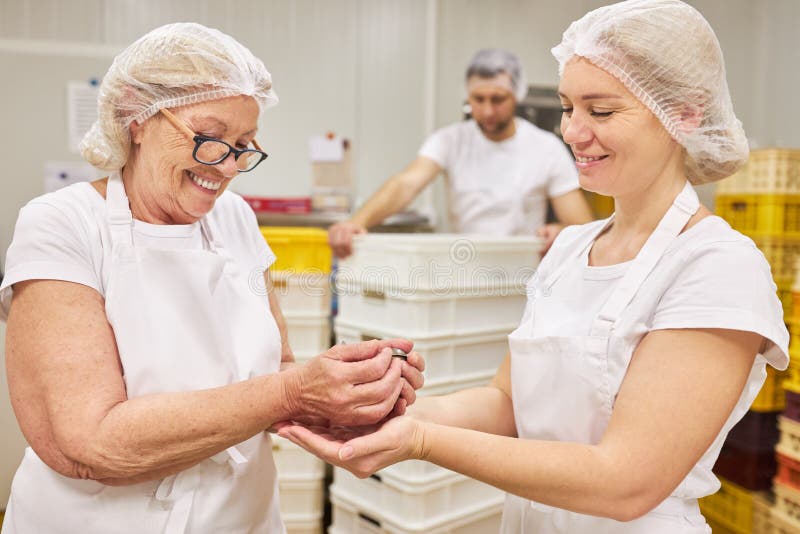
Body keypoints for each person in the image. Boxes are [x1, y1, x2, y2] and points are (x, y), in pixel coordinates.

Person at [276, 1, 790, 532]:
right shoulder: (570, 249)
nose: (572, 132)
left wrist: (422, 441)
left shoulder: (716, 267)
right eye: (569, 107)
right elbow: (507, 402)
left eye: (602, 111)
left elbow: (627, 481)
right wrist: (381, 415)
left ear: (684, 113)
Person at [0, 23, 423, 533]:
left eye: (244, 145)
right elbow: (93, 442)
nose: (226, 167)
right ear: (136, 117)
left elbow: (278, 367)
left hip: (239, 518)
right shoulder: (63, 224)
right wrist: (292, 395)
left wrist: (343, 397)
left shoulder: (235, 218)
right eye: (211, 139)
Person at [328, 48, 593, 258]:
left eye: (497, 99)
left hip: (524, 274)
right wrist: (356, 222)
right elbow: (406, 184)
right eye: (478, 100)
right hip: (465, 268)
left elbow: (582, 224)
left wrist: (562, 233)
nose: (487, 111)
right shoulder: (450, 141)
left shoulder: (545, 148)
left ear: (516, 95)